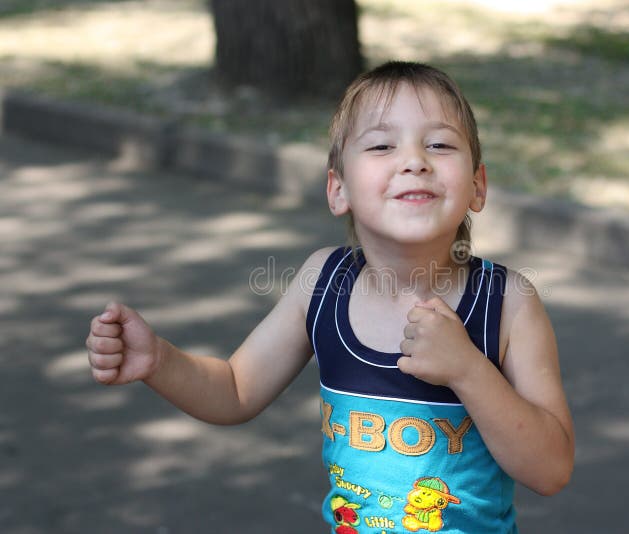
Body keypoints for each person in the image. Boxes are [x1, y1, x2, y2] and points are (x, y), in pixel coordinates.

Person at [86, 61, 574, 533]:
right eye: (381, 145)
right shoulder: (322, 283)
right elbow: (234, 390)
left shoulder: (507, 303)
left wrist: (469, 371)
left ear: (477, 186)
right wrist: (159, 360)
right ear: (338, 189)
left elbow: (551, 470)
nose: (414, 161)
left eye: (439, 144)